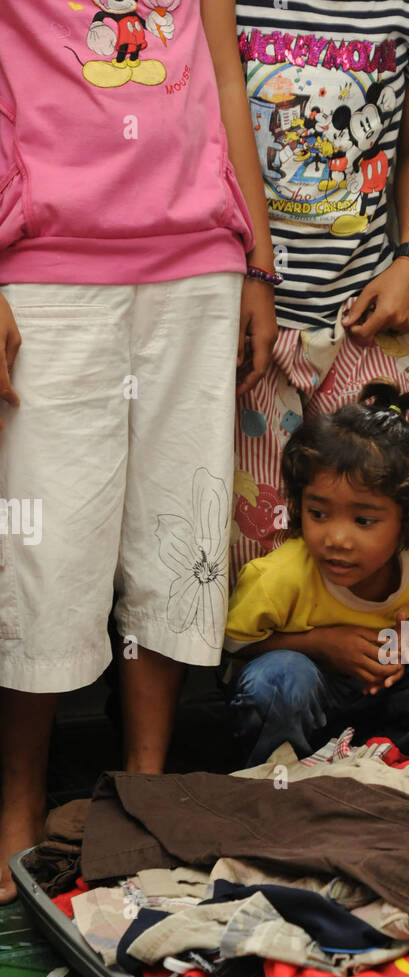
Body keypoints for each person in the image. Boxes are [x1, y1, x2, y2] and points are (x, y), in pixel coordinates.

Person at [0, 0, 277, 901]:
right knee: (48, 549)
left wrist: (257, 262)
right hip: (49, 265)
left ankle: (146, 791)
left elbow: (228, 80)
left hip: (195, 265)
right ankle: (19, 802)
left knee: (175, 531)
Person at [231, 0, 409, 582]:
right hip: (251, 319)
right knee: (255, 539)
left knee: (381, 516)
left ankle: (374, 665)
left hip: (363, 320)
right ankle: (272, 669)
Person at [225, 382, 409, 766]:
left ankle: (407, 768)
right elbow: (234, 650)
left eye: (363, 520)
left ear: (405, 519)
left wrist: (400, 642)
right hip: (305, 709)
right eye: (318, 513)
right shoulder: (278, 576)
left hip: (378, 703)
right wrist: (324, 645)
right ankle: (279, 781)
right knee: (280, 676)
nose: (337, 539)